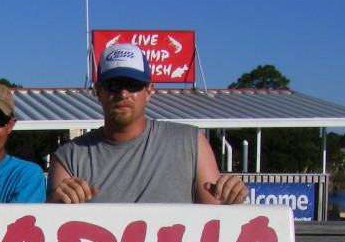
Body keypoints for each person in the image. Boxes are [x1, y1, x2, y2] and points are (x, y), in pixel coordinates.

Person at [47, 43, 249, 205]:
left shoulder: (191, 142)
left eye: (133, 85)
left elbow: (217, 217)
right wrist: (55, 204)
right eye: (114, 85)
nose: (123, 94)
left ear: (149, 91)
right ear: (99, 91)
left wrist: (232, 195)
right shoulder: (69, 157)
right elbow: (53, 230)